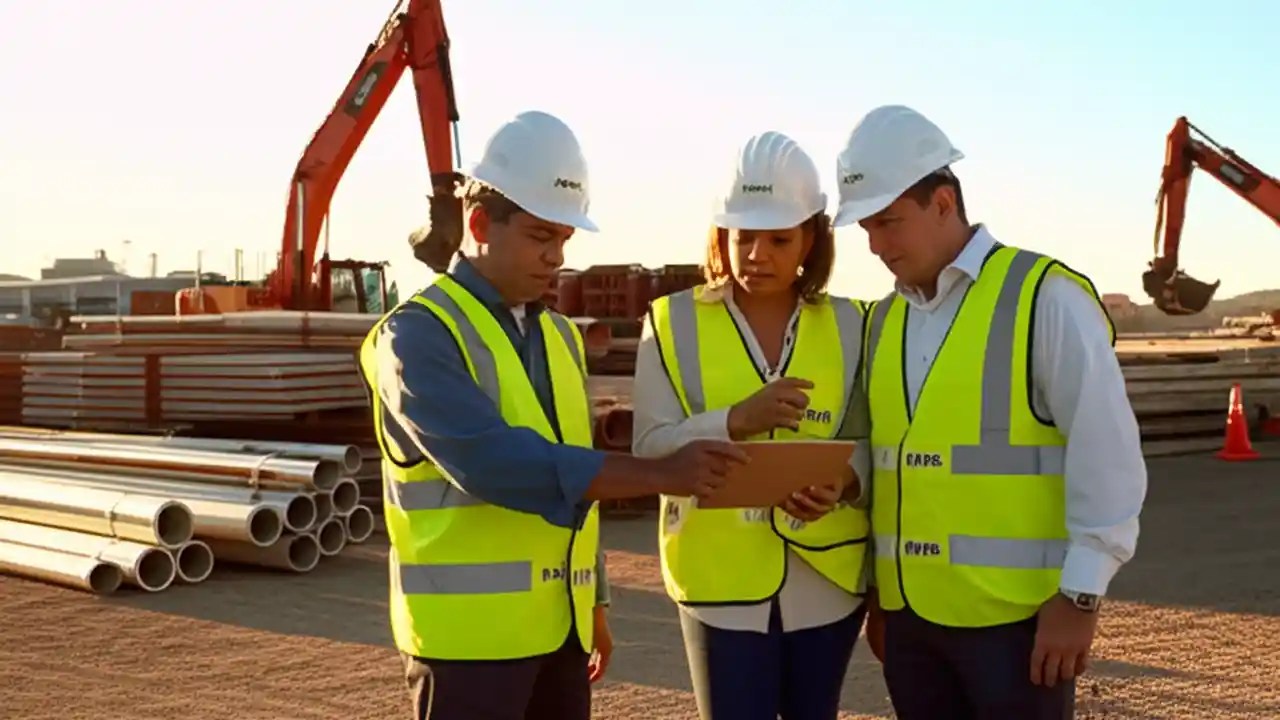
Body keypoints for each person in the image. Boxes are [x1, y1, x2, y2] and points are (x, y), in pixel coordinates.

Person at [357, 109, 749, 720]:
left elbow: (576, 481)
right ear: (481, 223)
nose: (556, 258)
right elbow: (493, 463)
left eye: (565, 240)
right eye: (542, 237)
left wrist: (591, 605)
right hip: (468, 646)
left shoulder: (562, 338)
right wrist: (660, 473)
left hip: (559, 633)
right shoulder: (416, 336)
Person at [833, 104, 1148, 719]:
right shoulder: (884, 321)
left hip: (1019, 625)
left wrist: (1080, 597)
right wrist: (880, 594)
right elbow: (891, 460)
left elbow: (1106, 454)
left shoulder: (1043, 298)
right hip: (909, 620)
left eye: (889, 223)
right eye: (866, 229)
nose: (875, 245)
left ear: (944, 202)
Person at [632, 130, 873, 720]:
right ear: (722, 235)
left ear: (811, 239)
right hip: (718, 584)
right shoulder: (671, 322)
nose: (757, 254)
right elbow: (650, 450)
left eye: (778, 238)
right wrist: (734, 421)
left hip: (828, 581)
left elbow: (874, 442)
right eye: (743, 237)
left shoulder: (852, 324)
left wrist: (843, 483)